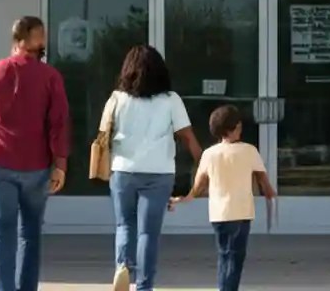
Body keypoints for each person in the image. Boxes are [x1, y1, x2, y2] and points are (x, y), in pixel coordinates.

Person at [0, 16, 71, 291]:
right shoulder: (50, 77)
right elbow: (59, 123)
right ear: (31, 40)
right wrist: (60, 163)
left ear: (16, 40)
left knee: (2, 234)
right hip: (37, 168)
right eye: (42, 36)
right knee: (30, 234)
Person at [105, 44, 203, 291]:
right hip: (159, 173)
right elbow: (187, 137)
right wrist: (203, 164)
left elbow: (103, 135)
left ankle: (122, 266)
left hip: (123, 170)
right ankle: (144, 285)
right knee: (148, 233)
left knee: (124, 224)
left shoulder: (117, 99)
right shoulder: (171, 100)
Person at [170, 105, 276, 291]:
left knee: (224, 255)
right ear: (236, 127)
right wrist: (270, 194)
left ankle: (223, 287)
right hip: (241, 213)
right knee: (236, 258)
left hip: (219, 214)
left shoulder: (209, 154)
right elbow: (263, 180)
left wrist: (185, 199)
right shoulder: (249, 151)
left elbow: (198, 186)